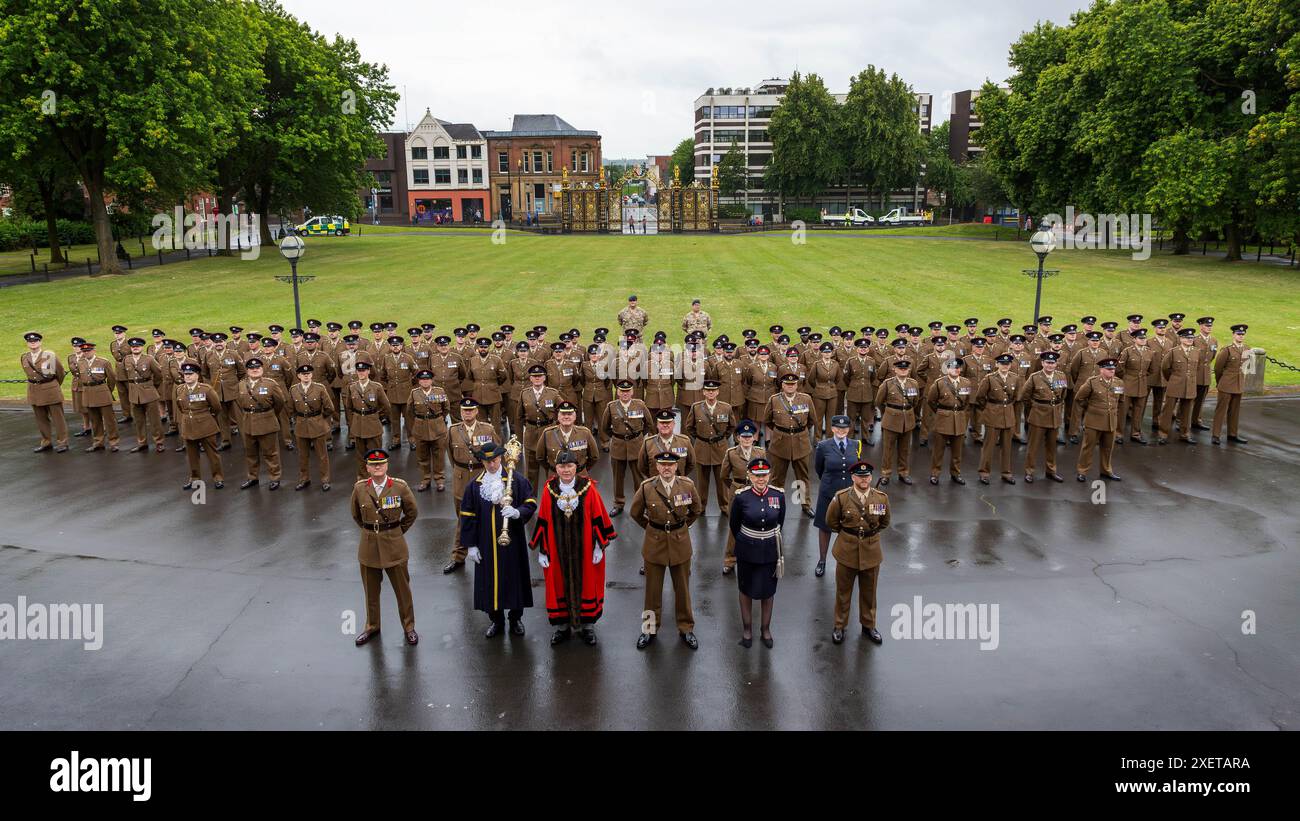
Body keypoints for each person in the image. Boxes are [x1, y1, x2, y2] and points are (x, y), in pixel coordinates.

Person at [530, 451, 618, 646]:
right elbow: (543, 519)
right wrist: (543, 550)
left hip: (585, 549)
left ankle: (588, 626)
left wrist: (599, 546)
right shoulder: (549, 489)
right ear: (556, 469)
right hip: (557, 548)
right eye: (562, 467)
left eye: (569, 466)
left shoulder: (588, 488)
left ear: (576, 467)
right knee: (558, 583)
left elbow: (598, 517)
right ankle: (561, 627)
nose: (566, 470)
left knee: (587, 583)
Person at [459, 441, 538, 638]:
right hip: (486, 543)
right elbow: (467, 516)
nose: (491, 465)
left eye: (494, 460)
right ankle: (496, 620)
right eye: (487, 462)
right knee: (490, 582)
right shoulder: (474, 486)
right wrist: (470, 545)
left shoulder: (517, 481)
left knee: (514, 579)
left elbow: (530, 502)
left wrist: (518, 513)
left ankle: (515, 618)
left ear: (501, 458)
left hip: (513, 541)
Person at [631, 452, 703, 650]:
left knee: (682, 589)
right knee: (652, 592)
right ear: (656, 467)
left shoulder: (687, 485)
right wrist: (652, 528)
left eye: (670, 465)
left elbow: (696, 510)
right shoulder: (647, 487)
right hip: (654, 544)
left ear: (676, 466)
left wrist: (682, 526)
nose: (666, 468)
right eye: (662, 464)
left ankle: (686, 628)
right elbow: (635, 512)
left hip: (680, 543)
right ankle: (649, 628)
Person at [350, 449, 419, 646]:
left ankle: (409, 627)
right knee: (370, 592)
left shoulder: (399, 487)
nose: (377, 467)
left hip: (394, 546)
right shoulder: (360, 488)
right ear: (367, 468)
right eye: (373, 464)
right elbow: (356, 515)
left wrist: (396, 532)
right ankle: (371, 626)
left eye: (380, 464)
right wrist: (371, 532)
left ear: (387, 466)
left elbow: (412, 512)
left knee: (402, 590)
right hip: (369, 546)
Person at [824, 461, 891, 645]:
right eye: (860, 477)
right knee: (843, 592)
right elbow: (831, 521)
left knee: (869, 592)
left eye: (867, 476)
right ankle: (839, 625)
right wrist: (849, 536)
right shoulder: (842, 497)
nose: (864, 479)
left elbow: (884, 522)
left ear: (870, 477)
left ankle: (869, 625)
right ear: (853, 477)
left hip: (871, 551)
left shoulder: (881, 498)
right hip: (847, 551)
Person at [729, 457, 786, 649]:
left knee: (768, 591)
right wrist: (747, 540)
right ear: (749, 476)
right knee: (746, 589)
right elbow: (734, 524)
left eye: (764, 475)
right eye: (756, 475)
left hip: (770, 550)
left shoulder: (778, 496)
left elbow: (780, 522)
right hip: (747, 550)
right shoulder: (741, 497)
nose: (761, 479)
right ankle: (747, 629)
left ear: (769, 475)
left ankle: (765, 629)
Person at [443, 399, 501, 574]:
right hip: (461, 477)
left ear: (477, 411)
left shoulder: (487, 429)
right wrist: (460, 470)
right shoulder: (453, 430)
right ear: (461, 412)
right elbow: (451, 455)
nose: (467, 413)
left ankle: (492, 552)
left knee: (488, 515)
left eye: (471, 410)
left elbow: (497, 452)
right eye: (464, 410)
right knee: (463, 518)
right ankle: (458, 556)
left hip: (481, 475)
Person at [813, 415, 861, 577]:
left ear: (849, 429)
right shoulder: (823, 446)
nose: (841, 431)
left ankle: (849, 562)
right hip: (828, 494)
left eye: (845, 428)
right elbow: (819, 468)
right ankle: (822, 560)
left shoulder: (856, 445)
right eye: (838, 428)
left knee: (849, 528)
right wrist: (830, 484)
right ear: (832, 429)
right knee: (824, 527)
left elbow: (857, 469)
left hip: (849, 495)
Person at [762, 373, 815, 517]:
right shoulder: (774, 400)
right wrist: (781, 432)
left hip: (801, 443)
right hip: (780, 443)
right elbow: (767, 420)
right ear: (782, 385)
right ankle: (774, 504)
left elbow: (811, 420)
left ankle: (806, 504)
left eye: (793, 384)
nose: (790, 386)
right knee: (777, 478)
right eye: (787, 384)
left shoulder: (806, 399)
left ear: (797, 385)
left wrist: (799, 432)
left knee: (802, 477)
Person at [720, 419, 766, 576]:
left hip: (755, 491)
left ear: (754, 437)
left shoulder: (760, 452)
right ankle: (729, 560)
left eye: (749, 436)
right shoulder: (731, 453)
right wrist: (736, 486)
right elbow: (724, 476)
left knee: (755, 525)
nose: (746, 439)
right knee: (734, 527)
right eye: (743, 436)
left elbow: (765, 474)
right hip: (738, 491)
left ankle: (753, 558)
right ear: (738, 437)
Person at [235, 357, 287, 489]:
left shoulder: (271, 384)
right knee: (250, 453)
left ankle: (275, 478)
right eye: (252, 368)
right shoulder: (241, 384)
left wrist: (269, 414)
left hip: (266, 422)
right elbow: (240, 402)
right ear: (247, 371)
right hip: (248, 423)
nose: (255, 370)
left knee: (271, 453)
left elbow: (280, 402)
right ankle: (253, 477)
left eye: (257, 367)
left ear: (262, 369)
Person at [600, 379, 650, 516]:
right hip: (618, 446)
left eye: (628, 391)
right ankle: (618, 503)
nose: (625, 393)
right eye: (622, 391)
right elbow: (604, 427)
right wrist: (617, 436)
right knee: (618, 477)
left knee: (639, 477)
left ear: (632, 392)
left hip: (636, 446)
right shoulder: (611, 407)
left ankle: (641, 504)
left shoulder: (640, 405)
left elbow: (648, 424)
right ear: (617, 392)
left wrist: (638, 436)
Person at [1017, 351, 1068, 482]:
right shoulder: (1035, 377)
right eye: (1048, 363)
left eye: (1053, 363)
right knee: (1033, 446)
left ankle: (1051, 471)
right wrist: (1034, 408)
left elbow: (1063, 395)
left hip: (1054, 416)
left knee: (1052, 446)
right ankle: (1029, 471)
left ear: (1056, 364)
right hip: (1038, 416)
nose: (1050, 365)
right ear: (1042, 363)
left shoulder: (1061, 376)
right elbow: (1024, 396)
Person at [174, 361, 224, 489]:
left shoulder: (206, 389)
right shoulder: (180, 389)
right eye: (185, 374)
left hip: (206, 426)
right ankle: (195, 478)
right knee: (191, 456)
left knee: (212, 455)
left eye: (190, 374)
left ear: (197, 375)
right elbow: (181, 408)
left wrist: (206, 417)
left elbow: (216, 407)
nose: (188, 376)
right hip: (188, 426)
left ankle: (218, 477)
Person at [973, 353, 1021, 485]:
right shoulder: (989, 378)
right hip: (993, 414)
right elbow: (980, 397)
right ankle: (984, 472)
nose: (1005, 366)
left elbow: (1016, 397)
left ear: (1010, 365)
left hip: (1008, 415)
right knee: (989, 446)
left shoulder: (1015, 378)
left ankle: (1006, 472)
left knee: (1007, 446)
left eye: (1007, 364)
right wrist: (989, 409)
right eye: (1002, 363)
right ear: (997, 364)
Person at [1074, 358, 1123, 482]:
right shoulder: (1092, 382)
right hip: (1094, 421)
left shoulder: (1118, 382)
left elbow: (1120, 401)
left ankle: (1106, 470)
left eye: (1113, 369)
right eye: (1108, 369)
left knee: (1108, 448)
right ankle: (1082, 471)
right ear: (1101, 369)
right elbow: (1079, 398)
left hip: (1110, 421)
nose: (1112, 371)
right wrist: (1090, 408)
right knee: (1088, 448)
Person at [925, 358, 972, 485]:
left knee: (957, 451)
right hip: (943, 420)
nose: (955, 370)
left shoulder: (966, 383)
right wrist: (942, 412)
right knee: (938, 450)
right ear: (947, 369)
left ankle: (955, 473)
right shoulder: (939, 383)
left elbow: (967, 402)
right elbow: (931, 401)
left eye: (957, 368)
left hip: (959, 420)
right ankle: (935, 473)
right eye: (952, 367)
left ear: (960, 369)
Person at [20, 332, 69, 453]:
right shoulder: (24, 357)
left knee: (58, 419)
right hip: (34, 391)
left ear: (40, 342)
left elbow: (60, 373)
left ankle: (63, 442)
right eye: (30, 342)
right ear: (27, 343)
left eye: (35, 341)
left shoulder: (49, 355)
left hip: (50, 390)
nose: (33, 343)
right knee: (41, 419)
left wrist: (53, 386)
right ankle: (46, 442)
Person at [289, 364, 335, 491]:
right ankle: (304, 479)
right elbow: (291, 408)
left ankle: (325, 480)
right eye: (303, 374)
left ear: (312, 375)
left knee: (322, 455)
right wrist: (297, 419)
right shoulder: (293, 389)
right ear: (298, 376)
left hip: (317, 425)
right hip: (301, 426)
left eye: (308, 373)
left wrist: (319, 418)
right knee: (303, 456)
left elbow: (329, 407)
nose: (306, 375)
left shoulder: (320, 388)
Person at [874, 359, 918, 486]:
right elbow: (878, 401)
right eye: (900, 369)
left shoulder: (913, 383)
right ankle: (885, 473)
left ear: (909, 370)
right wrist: (889, 411)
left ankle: (903, 472)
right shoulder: (887, 384)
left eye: (905, 369)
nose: (903, 370)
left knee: (905, 449)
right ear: (895, 370)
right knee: (888, 449)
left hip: (907, 420)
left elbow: (915, 402)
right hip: (891, 420)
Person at [344, 361, 391, 477]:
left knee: (375, 455)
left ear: (368, 371)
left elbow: (386, 407)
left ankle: (377, 477)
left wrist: (376, 418)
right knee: (360, 456)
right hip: (358, 426)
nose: (361, 373)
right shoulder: (352, 387)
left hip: (373, 426)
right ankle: (363, 477)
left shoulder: (377, 387)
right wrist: (353, 421)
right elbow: (348, 407)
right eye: (359, 371)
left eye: (363, 370)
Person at [407, 369, 450, 491]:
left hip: (437, 428)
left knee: (439, 455)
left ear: (431, 380)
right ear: (419, 381)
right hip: (420, 428)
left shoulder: (439, 391)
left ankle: (439, 479)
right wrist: (414, 426)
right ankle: (425, 479)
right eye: (422, 379)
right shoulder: (414, 393)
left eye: (427, 379)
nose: (425, 381)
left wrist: (438, 419)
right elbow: (409, 412)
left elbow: (446, 408)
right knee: (422, 456)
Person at [73, 341, 121, 452]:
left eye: (88, 350)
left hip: (102, 392)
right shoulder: (80, 362)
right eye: (84, 351)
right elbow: (80, 378)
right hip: (88, 393)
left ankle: (113, 442)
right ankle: (98, 442)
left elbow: (112, 378)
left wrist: (107, 390)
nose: (86, 353)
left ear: (94, 350)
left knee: (109, 420)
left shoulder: (103, 362)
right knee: (95, 420)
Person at [1211, 324, 1250, 445]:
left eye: (1242, 334)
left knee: (1235, 411)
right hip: (1226, 384)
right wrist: (1220, 382)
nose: (1241, 336)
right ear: (1233, 335)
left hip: (1238, 384)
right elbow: (1218, 368)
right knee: (1221, 411)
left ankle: (1232, 434)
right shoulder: (1227, 349)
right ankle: (1216, 435)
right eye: (1238, 334)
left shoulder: (1247, 349)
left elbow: (1247, 368)